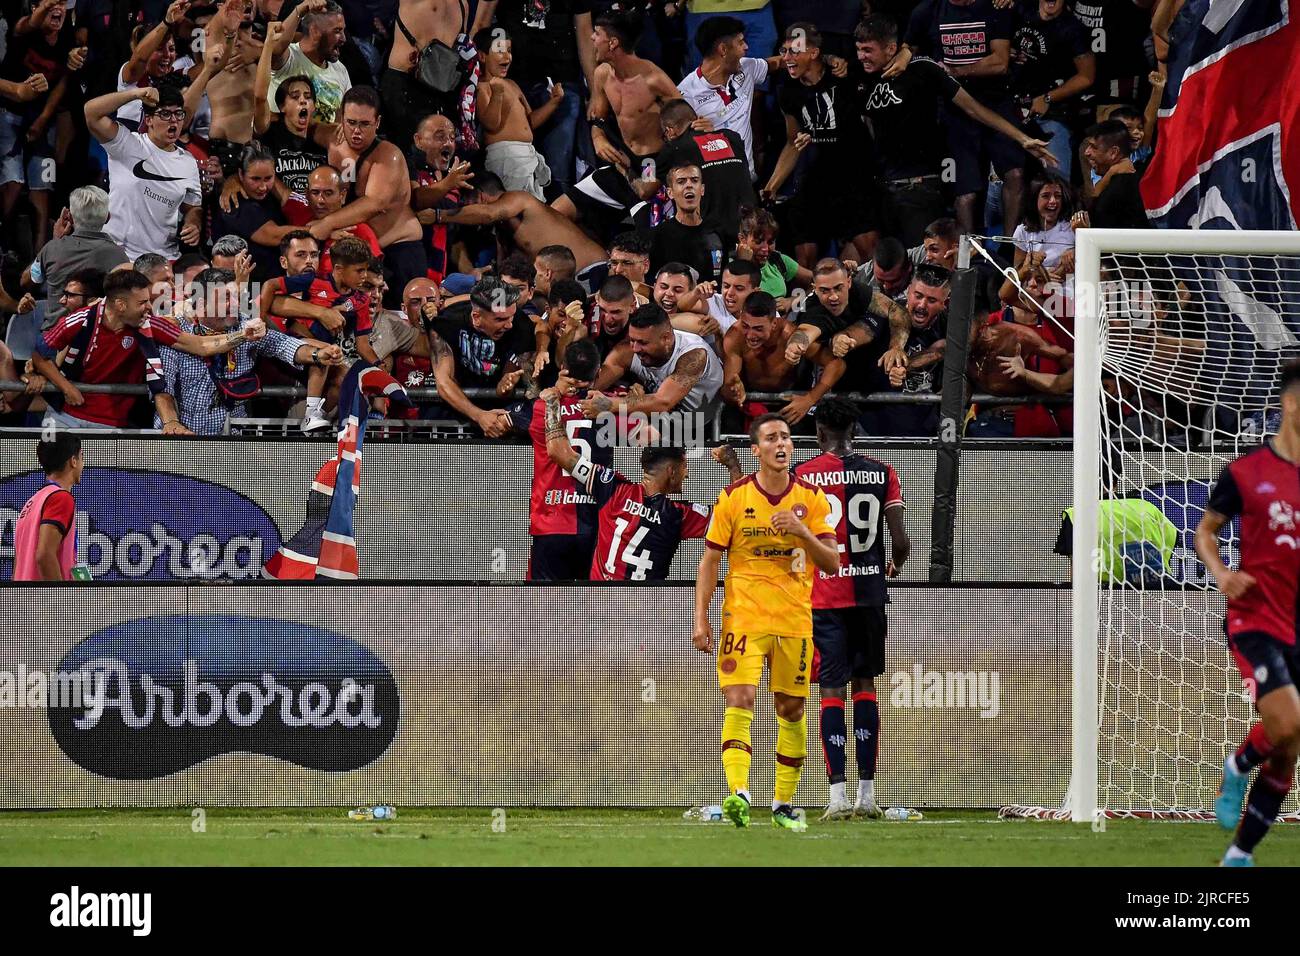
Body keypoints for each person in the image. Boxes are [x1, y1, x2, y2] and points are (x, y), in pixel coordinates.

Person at [694, 413, 840, 830]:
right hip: (743, 616)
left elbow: (831, 562)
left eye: (787, 438)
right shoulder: (733, 497)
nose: (782, 444)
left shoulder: (812, 499)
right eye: (772, 438)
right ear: (755, 450)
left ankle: (782, 804)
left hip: (795, 620)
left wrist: (802, 532)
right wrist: (701, 619)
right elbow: (710, 561)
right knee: (739, 699)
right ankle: (738, 794)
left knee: (791, 709)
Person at [1195, 358, 1300, 866]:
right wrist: (1220, 572)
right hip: (1256, 618)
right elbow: (1206, 531)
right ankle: (1238, 764)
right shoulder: (1245, 471)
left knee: (1288, 749)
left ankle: (1238, 855)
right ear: (1290, 402)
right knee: (1286, 725)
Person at [794, 396, 909, 819]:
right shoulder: (883, 471)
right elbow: (901, 543)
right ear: (855, 431)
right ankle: (867, 795)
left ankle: (837, 797)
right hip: (870, 596)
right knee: (865, 685)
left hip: (824, 597)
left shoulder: (803, 476)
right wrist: (893, 563)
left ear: (820, 433)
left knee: (829, 688)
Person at [853, 14, 1056, 246]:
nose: (861, 56)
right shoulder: (862, 78)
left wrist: (1022, 138)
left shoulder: (923, 69)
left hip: (918, 188)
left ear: (891, 48)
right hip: (881, 191)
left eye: (867, 50)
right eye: (858, 49)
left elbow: (974, 109)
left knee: (925, 263)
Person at [34, 268, 266, 430]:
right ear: (121, 305)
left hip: (111, 422)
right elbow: (39, 355)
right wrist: (66, 388)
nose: (149, 308)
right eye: (142, 303)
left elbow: (200, 345)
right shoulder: (80, 320)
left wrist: (241, 335)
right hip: (65, 416)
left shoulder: (149, 324)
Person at [543, 394, 744, 580]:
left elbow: (558, 452)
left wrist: (551, 402)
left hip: (599, 605)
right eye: (684, 468)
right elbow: (735, 521)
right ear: (671, 471)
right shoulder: (677, 516)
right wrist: (734, 467)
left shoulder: (611, 488)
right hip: (646, 611)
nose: (687, 474)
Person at [156, 265, 343, 435]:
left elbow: (282, 344)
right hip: (182, 435)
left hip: (232, 439)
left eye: (236, 297)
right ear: (202, 303)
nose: (235, 305)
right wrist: (171, 422)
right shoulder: (176, 331)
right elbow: (164, 389)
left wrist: (316, 355)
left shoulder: (246, 325)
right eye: (225, 299)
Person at [904, 0, 1029, 238]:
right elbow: (905, 50)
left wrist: (955, 72)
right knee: (966, 194)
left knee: (1015, 174)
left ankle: (1012, 246)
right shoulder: (927, 10)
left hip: (995, 101)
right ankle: (971, 255)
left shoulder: (995, 6)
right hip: (954, 110)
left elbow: (1001, 62)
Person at [553, 10, 680, 235]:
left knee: (649, 240)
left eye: (597, 33)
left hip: (650, 166)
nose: (591, 38)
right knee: (556, 213)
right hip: (619, 161)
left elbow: (685, 121)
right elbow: (597, 117)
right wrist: (598, 137)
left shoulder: (654, 79)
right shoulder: (602, 74)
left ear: (612, 43)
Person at [765, 23, 876, 268]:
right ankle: (806, 304)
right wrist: (771, 186)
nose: (787, 58)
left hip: (853, 179)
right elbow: (793, 142)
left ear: (813, 53)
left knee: (869, 252)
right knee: (805, 259)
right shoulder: (788, 92)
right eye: (784, 52)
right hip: (814, 181)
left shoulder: (843, 76)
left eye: (794, 51)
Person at [502, 339, 608, 581]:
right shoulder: (608, 408)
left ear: (562, 366)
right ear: (599, 372)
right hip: (594, 524)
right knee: (590, 609)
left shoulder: (540, 406)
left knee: (543, 609)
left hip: (551, 522)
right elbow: (649, 426)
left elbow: (498, 424)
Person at [469, 0, 597, 197]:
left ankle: (554, 221)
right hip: (516, 77)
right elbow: (480, 26)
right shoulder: (493, 87)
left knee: (558, 176)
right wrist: (472, 78)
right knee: (507, 194)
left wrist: (595, 92)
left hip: (560, 82)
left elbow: (585, 33)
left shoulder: (508, 88)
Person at [314, 86, 427, 301]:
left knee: (400, 323)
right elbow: (295, 127)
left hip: (399, 250)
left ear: (377, 123)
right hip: (358, 256)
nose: (357, 131)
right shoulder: (331, 138)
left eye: (365, 124)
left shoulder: (388, 155)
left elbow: (374, 203)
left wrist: (326, 224)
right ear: (341, 118)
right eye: (351, 123)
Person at [265, 235, 376, 431]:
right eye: (301, 254)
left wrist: (378, 369)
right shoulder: (267, 294)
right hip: (283, 366)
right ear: (283, 261)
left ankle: (316, 417)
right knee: (325, 353)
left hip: (319, 364)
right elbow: (268, 295)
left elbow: (363, 345)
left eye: (314, 255)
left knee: (344, 376)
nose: (309, 261)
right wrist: (321, 312)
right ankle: (311, 416)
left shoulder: (358, 299)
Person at [84, 85, 201, 263]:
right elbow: (91, 112)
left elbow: (192, 207)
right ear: (149, 120)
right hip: (119, 255)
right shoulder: (127, 144)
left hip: (163, 259)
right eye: (165, 114)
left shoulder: (188, 162)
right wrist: (135, 94)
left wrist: (193, 223)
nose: (174, 121)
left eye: (179, 114)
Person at [433, 172, 607, 276]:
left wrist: (438, 215)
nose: (464, 211)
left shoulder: (518, 199)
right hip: (565, 282)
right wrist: (472, 273)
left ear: (480, 196)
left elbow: (488, 214)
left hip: (592, 270)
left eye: (465, 204)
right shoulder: (503, 229)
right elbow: (506, 271)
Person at [429, 276, 535, 436]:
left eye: (511, 316)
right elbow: (444, 382)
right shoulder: (447, 323)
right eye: (500, 319)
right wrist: (480, 416)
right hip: (457, 408)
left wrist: (505, 386)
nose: (509, 325)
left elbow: (506, 385)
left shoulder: (521, 325)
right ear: (477, 317)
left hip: (502, 411)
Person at [721, 290, 845, 426]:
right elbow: (729, 390)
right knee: (729, 421)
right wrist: (733, 391)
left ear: (774, 323)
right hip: (752, 399)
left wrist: (809, 399)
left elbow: (836, 365)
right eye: (745, 326)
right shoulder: (735, 337)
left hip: (790, 400)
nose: (750, 335)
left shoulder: (791, 335)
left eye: (758, 328)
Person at [473, 27, 563, 201]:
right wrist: (497, 94)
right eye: (500, 51)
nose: (507, 56)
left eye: (509, 50)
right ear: (482, 56)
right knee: (514, 208)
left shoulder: (513, 84)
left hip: (528, 154)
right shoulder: (481, 87)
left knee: (534, 208)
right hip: (505, 157)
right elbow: (490, 124)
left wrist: (553, 103)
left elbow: (529, 123)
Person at [586, 303, 723, 417]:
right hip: (664, 422)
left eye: (643, 343)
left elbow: (663, 402)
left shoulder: (694, 355)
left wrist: (609, 404)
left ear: (666, 338)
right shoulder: (626, 351)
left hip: (706, 423)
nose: (635, 348)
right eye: (632, 340)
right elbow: (590, 386)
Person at [654, 98, 755, 250]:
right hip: (752, 230)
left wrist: (630, 168)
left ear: (669, 131)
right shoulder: (732, 137)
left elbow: (645, 187)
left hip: (714, 240)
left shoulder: (675, 149)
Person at [1009, 0, 1095, 178]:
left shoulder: (1073, 29)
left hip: (1051, 112)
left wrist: (1048, 98)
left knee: (1056, 179)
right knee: (1007, 179)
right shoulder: (1019, 9)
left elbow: (1086, 77)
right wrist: (1004, 48)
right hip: (1011, 108)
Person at [22, 186, 128, 328]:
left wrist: (54, 242)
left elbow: (26, 281)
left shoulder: (52, 248)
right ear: (107, 217)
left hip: (53, 340)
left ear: (70, 217)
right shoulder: (119, 257)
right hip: (95, 343)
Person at [381, 0, 469, 149]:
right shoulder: (463, 4)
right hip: (413, 88)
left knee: (430, 157)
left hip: (428, 91)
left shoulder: (462, 4)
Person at [210, 143, 298, 280]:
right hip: (241, 289)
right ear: (240, 174)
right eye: (255, 179)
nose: (262, 187)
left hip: (271, 283)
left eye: (268, 178)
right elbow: (272, 235)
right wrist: (316, 230)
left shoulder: (273, 198)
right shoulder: (234, 201)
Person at [10, 432, 84, 582]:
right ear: (73, 461)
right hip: (44, 603)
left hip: (23, 600)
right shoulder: (61, 498)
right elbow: (44, 554)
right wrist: (58, 598)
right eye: (82, 457)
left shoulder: (32, 501)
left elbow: (17, 566)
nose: (83, 464)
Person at [267, 0, 352, 124]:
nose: (344, 38)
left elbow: (342, 122)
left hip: (324, 141)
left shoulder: (340, 70)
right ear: (314, 31)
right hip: (285, 140)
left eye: (343, 31)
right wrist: (299, 11)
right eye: (337, 31)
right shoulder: (289, 57)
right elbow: (275, 49)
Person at [646, 162, 724, 285]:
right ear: (670, 192)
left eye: (694, 180)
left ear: (702, 189)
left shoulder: (718, 231)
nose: (689, 185)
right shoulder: (659, 236)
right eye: (681, 181)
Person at [1079, 118, 1147, 230]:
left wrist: (1085, 230)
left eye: (1094, 147)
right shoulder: (1119, 178)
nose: (1087, 152)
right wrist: (1110, 173)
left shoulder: (1119, 188)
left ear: (1114, 152)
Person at [732, 206, 809, 304]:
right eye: (759, 241)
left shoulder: (778, 260)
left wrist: (792, 301)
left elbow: (817, 282)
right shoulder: (730, 267)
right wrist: (744, 264)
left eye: (770, 242)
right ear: (742, 239)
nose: (765, 249)